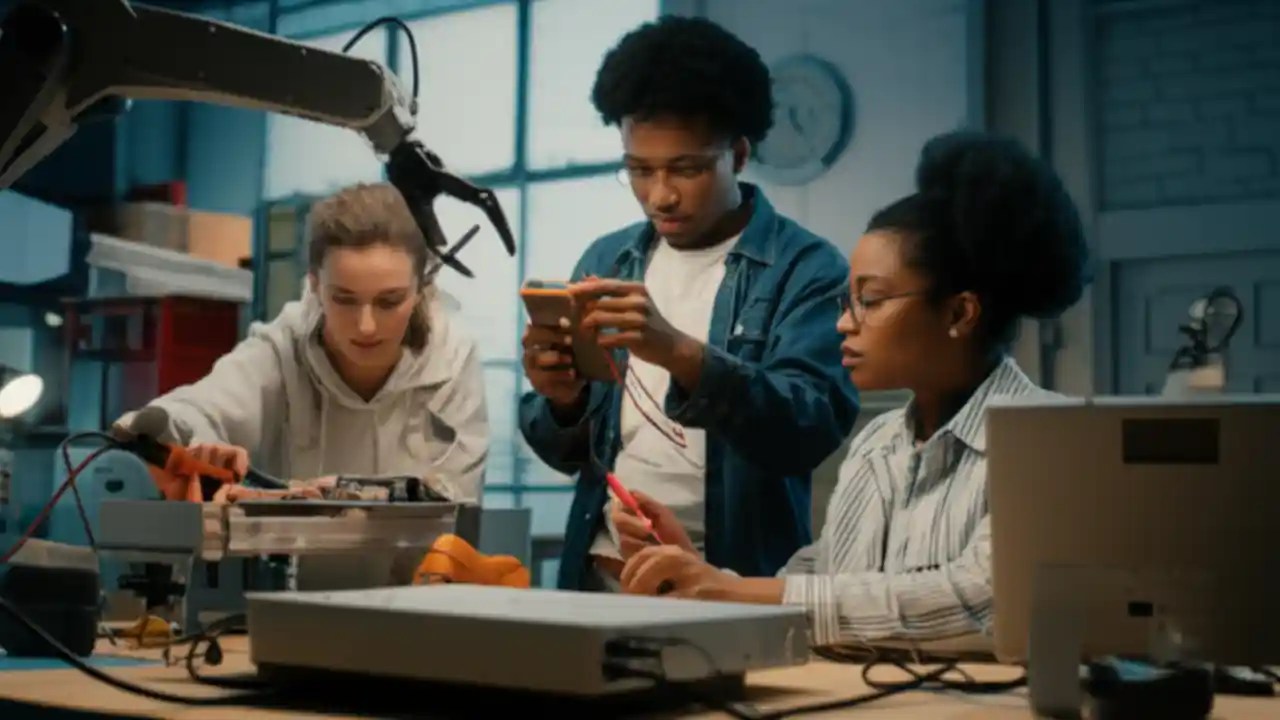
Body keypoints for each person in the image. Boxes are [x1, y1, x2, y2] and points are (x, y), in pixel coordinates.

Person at [613, 130, 1091, 647]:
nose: (844, 323)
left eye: (872, 300)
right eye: (848, 300)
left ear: (959, 312)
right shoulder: (877, 441)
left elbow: (981, 596)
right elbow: (824, 576)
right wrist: (701, 574)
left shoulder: (1049, 440)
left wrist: (729, 593)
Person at [518, 16, 859, 591]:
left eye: (688, 168)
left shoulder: (807, 268)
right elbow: (573, 454)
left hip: (732, 581)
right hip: (600, 575)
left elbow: (808, 430)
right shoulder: (609, 258)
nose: (660, 194)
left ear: (740, 154)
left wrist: (678, 352)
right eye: (639, 170)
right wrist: (563, 402)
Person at [116, 182, 489, 504]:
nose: (366, 325)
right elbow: (194, 410)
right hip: (290, 584)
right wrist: (197, 446)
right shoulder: (284, 348)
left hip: (420, 583)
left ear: (422, 290)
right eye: (343, 299)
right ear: (314, 285)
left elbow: (457, 496)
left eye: (389, 301)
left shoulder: (452, 359)